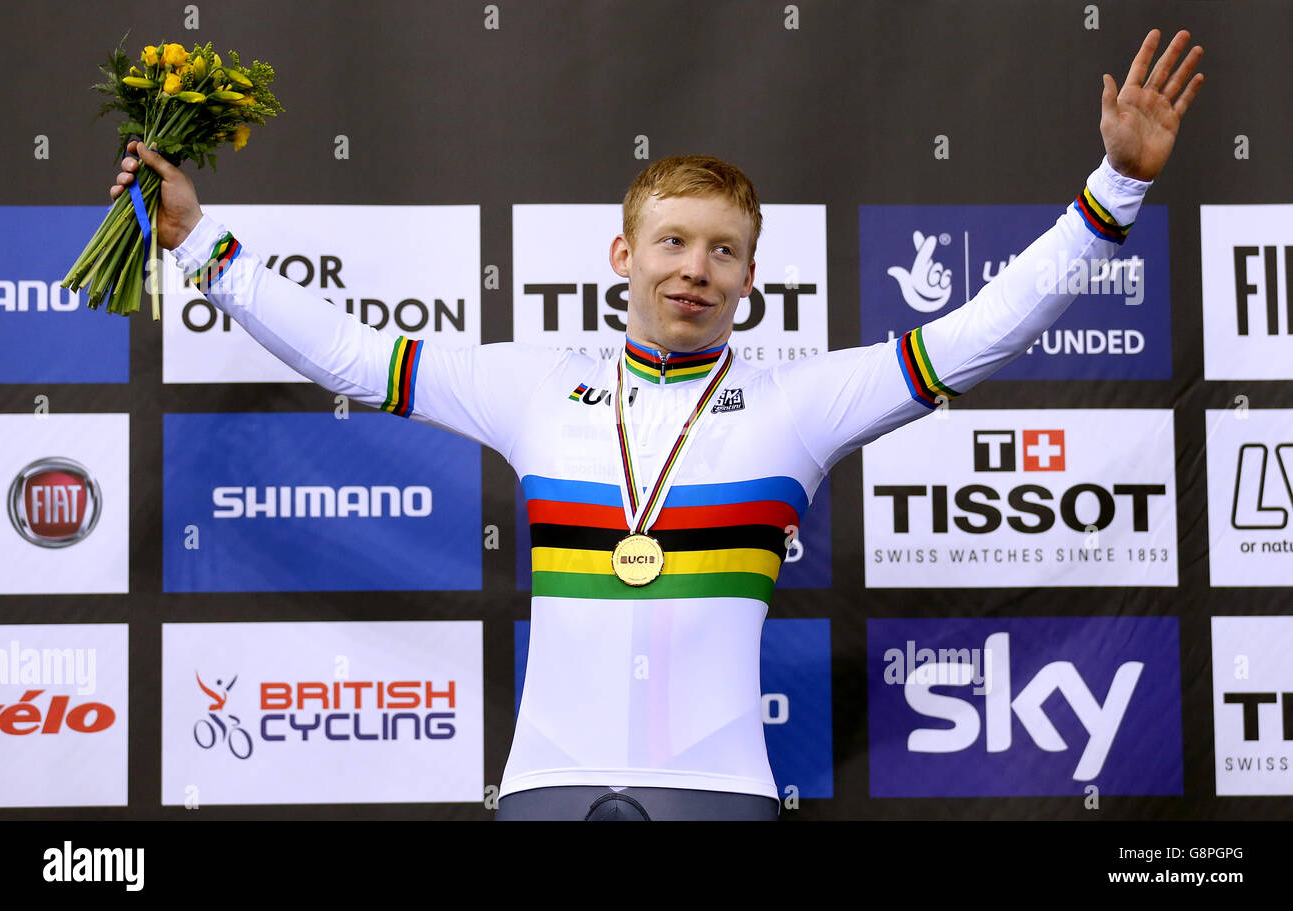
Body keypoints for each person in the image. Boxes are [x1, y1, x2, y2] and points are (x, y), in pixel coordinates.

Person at [112, 29, 1203, 821]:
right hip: (540, 786)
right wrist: (198, 241)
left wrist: (1112, 189)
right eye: (674, 241)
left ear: (751, 278)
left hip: (720, 792)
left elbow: (978, 333)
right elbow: (350, 353)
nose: (696, 268)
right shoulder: (533, 386)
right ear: (622, 256)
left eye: (723, 250)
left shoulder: (798, 401)